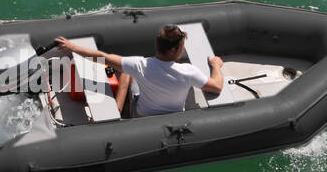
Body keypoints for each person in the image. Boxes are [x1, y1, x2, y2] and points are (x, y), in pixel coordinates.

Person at [54, 25, 223, 117]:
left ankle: (119, 109)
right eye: (181, 47)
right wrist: (216, 66)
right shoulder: (189, 72)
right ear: (173, 50)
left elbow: (101, 56)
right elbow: (216, 87)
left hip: (142, 116)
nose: (183, 49)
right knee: (130, 71)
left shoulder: (140, 64)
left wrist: (72, 47)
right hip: (174, 115)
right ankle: (120, 109)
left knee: (127, 71)